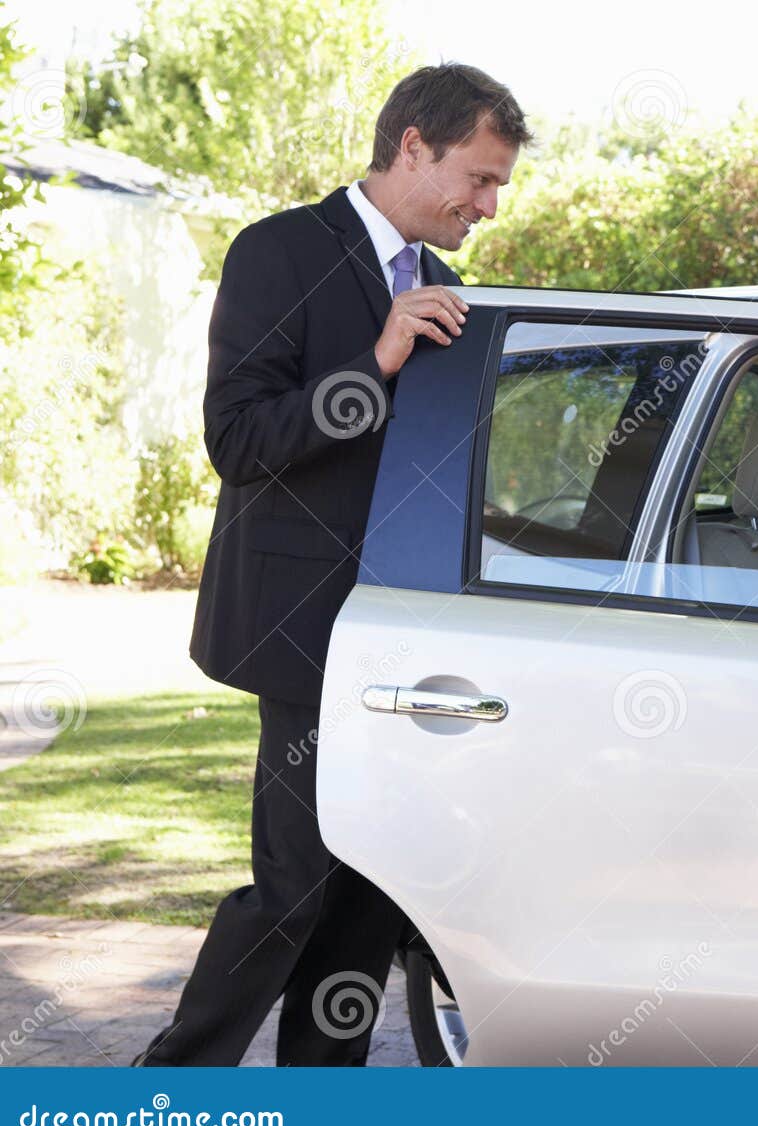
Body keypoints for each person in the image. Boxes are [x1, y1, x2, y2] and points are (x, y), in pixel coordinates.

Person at [136, 65, 530, 1066]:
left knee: (368, 889)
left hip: (404, 637)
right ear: (412, 147)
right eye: (478, 179)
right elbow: (238, 437)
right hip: (299, 627)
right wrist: (378, 361)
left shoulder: (445, 289)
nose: (489, 204)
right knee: (295, 883)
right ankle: (170, 1083)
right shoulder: (278, 251)